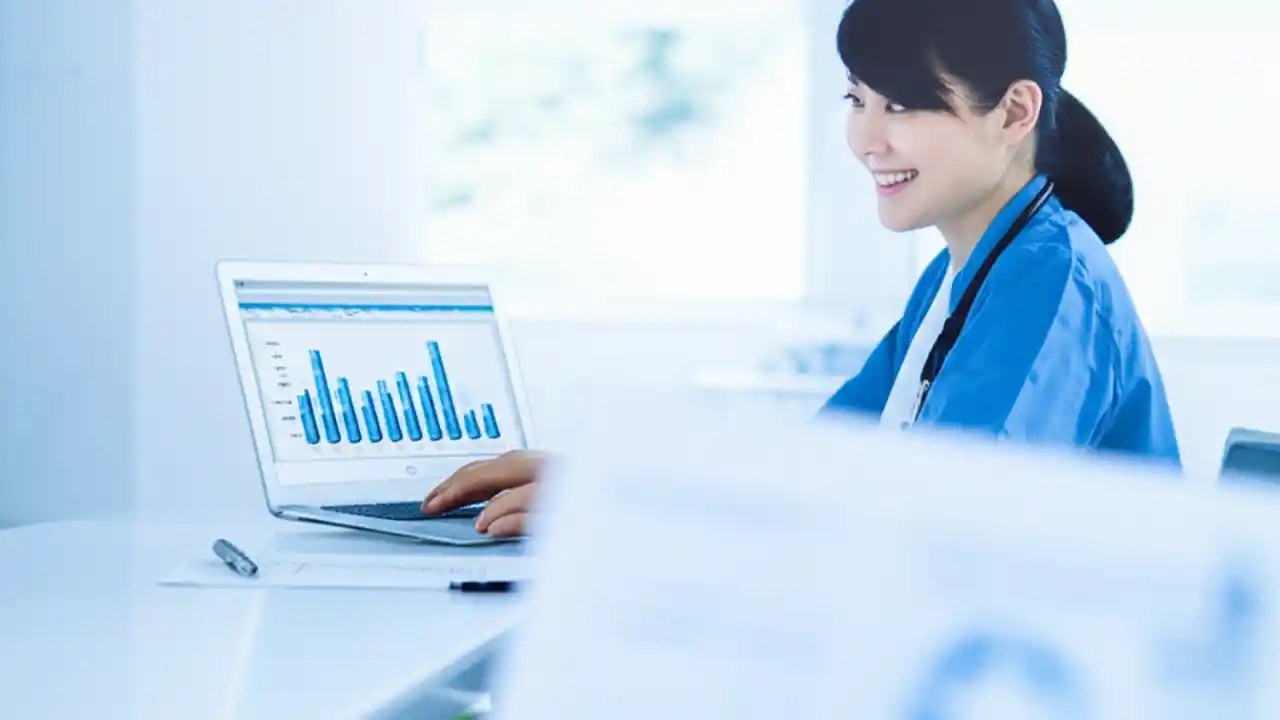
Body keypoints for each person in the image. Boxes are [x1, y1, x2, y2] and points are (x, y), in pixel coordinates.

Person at [422, 0, 1181, 537]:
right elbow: (819, 463)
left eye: (904, 107)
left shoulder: (1052, 283)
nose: (866, 139)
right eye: (858, 99)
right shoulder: (961, 275)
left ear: (1015, 113)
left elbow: (945, 528)